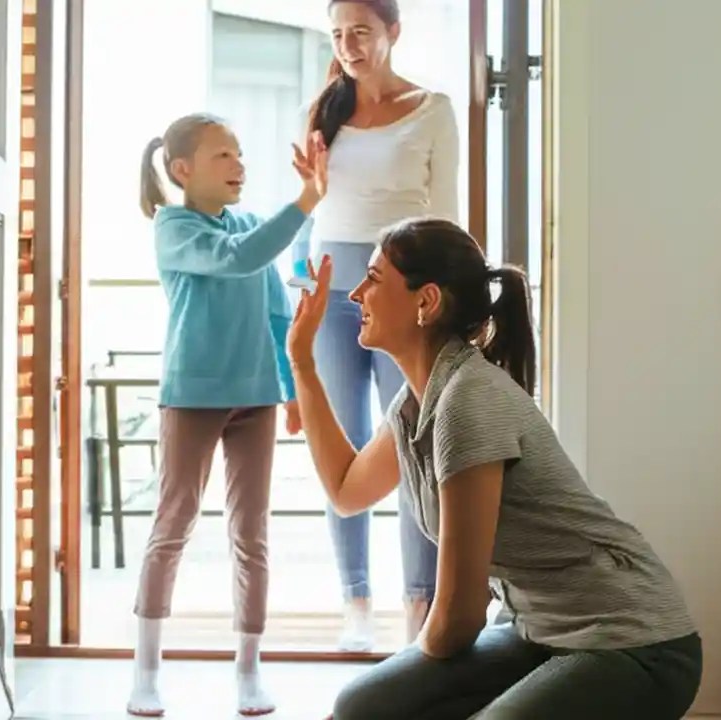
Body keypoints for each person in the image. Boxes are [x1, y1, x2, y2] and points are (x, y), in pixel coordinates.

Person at [285, 219, 703, 719]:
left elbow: (459, 618)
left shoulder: (469, 401)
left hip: (633, 641)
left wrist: (419, 677)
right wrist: (302, 363)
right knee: (360, 707)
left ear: (426, 301)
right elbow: (347, 490)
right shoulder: (416, 403)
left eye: (373, 278)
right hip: (538, 631)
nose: (355, 294)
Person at [126, 112, 327, 718]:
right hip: (192, 396)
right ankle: (146, 671)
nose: (239, 165)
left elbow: (273, 313)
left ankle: (248, 671)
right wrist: (306, 201)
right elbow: (238, 258)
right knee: (174, 522)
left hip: (256, 396)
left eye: (240, 154)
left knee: (251, 534)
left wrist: (291, 389)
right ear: (183, 169)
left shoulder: (248, 223)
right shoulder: (173, 226)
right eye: (224, 156)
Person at [297, 0, 459, 652]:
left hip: (400, 297)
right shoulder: (324, 113)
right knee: (344, 443)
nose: (348, 45)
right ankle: (354, 598)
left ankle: (419, 607)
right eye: (337, 34)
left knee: (413, 448)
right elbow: (311, 206)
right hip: (330, 290)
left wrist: (444, 305)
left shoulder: (433, 110)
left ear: (393, 32)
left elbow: (446, 216)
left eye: (360, 32)